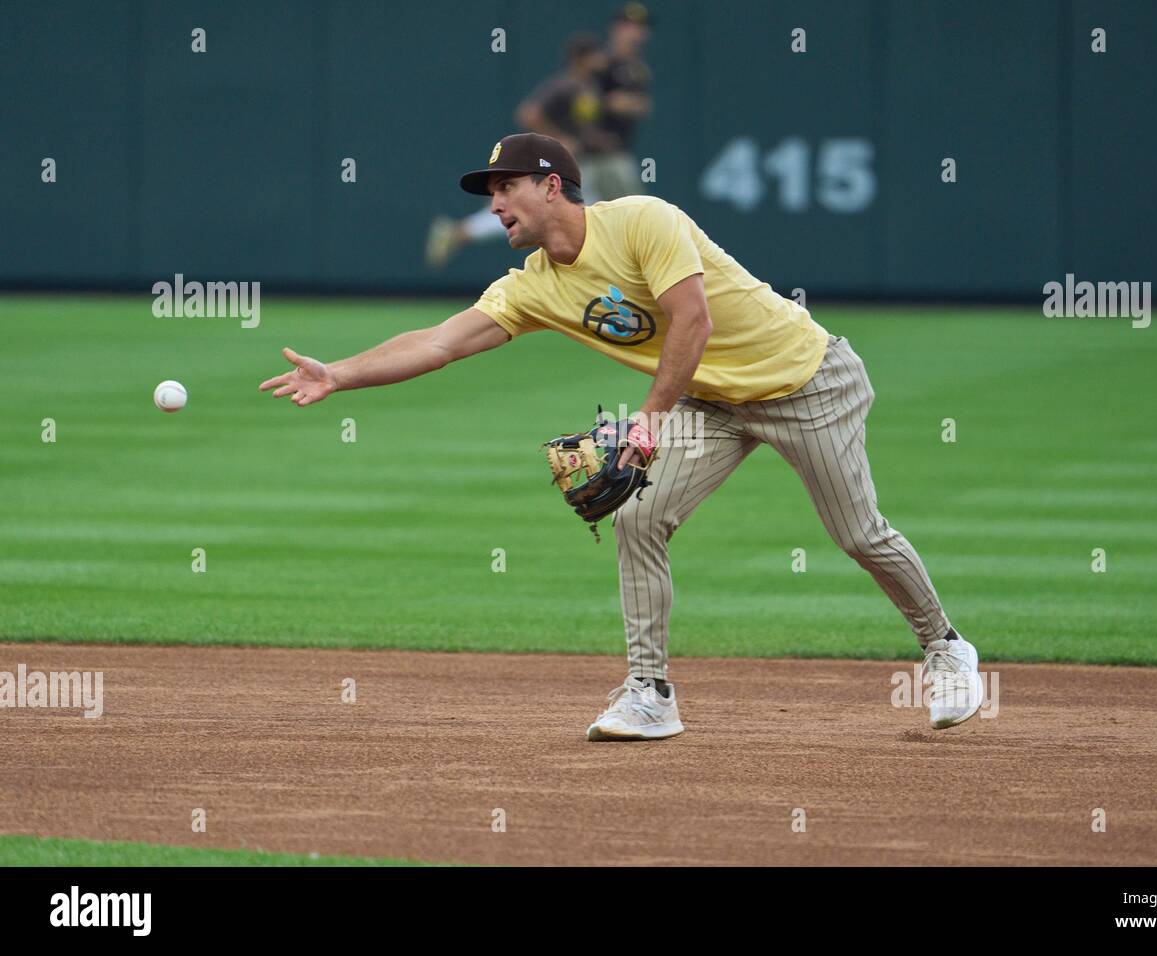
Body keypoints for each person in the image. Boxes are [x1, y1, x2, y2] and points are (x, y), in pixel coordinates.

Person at [262, 133, 984, 741]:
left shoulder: (642, 220)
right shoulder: (532, 286)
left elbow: (691, 321)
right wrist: (341, 374)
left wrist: (650, 419)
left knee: (858, 533)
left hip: (807, 380)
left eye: (505, 187)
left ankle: (946, 650)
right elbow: (441, 341)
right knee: (639, 515)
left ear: (551, 186)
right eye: (489, 194)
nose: (494, 205)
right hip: (710, 402)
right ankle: (650, 694)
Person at [426, 34, 612, 269]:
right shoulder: (563, 85)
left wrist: (595, 139)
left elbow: (580, 127)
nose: (600, 59)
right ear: (582, 58)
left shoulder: (588, 87)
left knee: (589, 211)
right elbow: (528, 113)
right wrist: (559, 139)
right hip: (558, 165)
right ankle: (460, 232)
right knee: (563, 211)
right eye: (594, 55)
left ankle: (462, 232)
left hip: (580, 162)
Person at [585, 2, 654, 202]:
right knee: (632, 211)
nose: (636, 33)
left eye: (641, 27)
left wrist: (624, 103)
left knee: (628, 213)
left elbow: (643, 106)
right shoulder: (601, 63)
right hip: (596, 154)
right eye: (629, 26)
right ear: (616, 29)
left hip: (618, 152)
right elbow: (583, 103)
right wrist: (613, 103)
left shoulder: (637, 69)